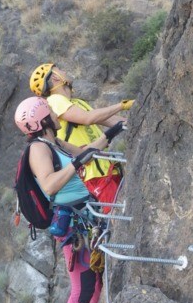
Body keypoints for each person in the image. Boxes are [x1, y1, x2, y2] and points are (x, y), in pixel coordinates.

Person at [14, 94, 104, 303]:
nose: (56, 114)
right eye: (51, 112)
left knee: (94, 278)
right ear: (42, 120)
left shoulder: (54, 143)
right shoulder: (38, 149)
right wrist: (76, 165)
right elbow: (50, 185)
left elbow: (86, 151)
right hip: (73, 225)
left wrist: (114, 131)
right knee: (83, 286)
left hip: (84, 217)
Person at [29, 62, 132, 209]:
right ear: (55, 78)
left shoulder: (75, 103)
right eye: (60, 70)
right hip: (92, 174)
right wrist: (122, 105)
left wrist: (135, 121)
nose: (64, 71)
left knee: (122, 211)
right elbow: (88, 118)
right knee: (116, 214)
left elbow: (108, 120)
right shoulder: (54, 101)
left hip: (104, 169)